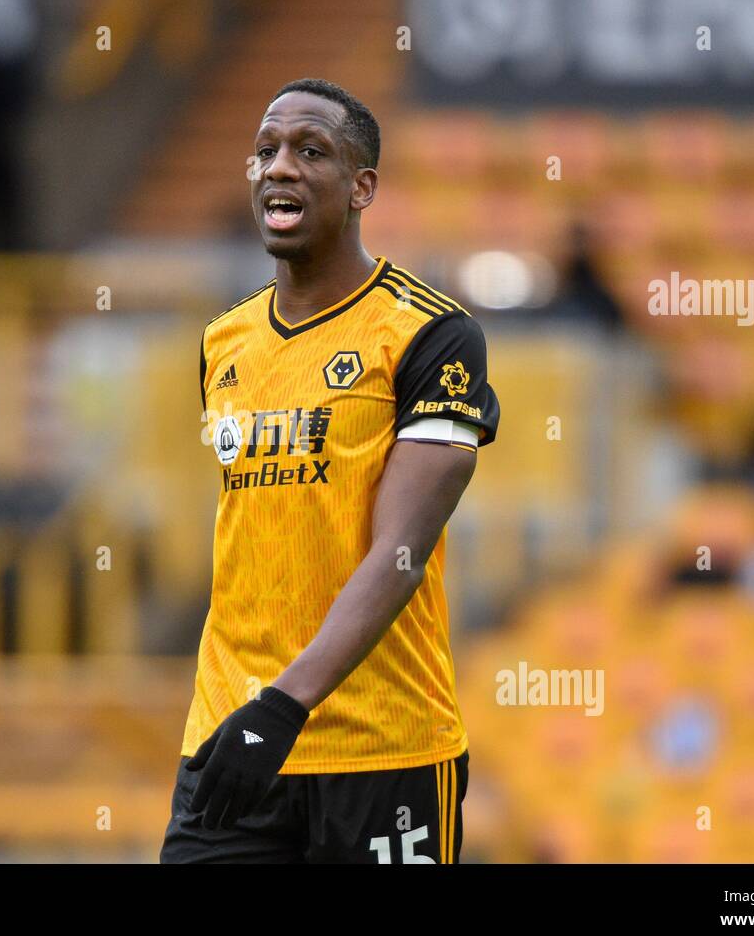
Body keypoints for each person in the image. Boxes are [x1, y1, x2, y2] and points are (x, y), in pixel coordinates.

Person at [160, 78, 500, 863]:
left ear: (361, 187)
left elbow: (400, 553)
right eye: (266, 151)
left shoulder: (432, 336)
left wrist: (286, 702)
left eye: (310, 151)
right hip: (233, 738)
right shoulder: (223, 342)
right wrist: (254, 711)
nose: (280, 166)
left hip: (382, 752)